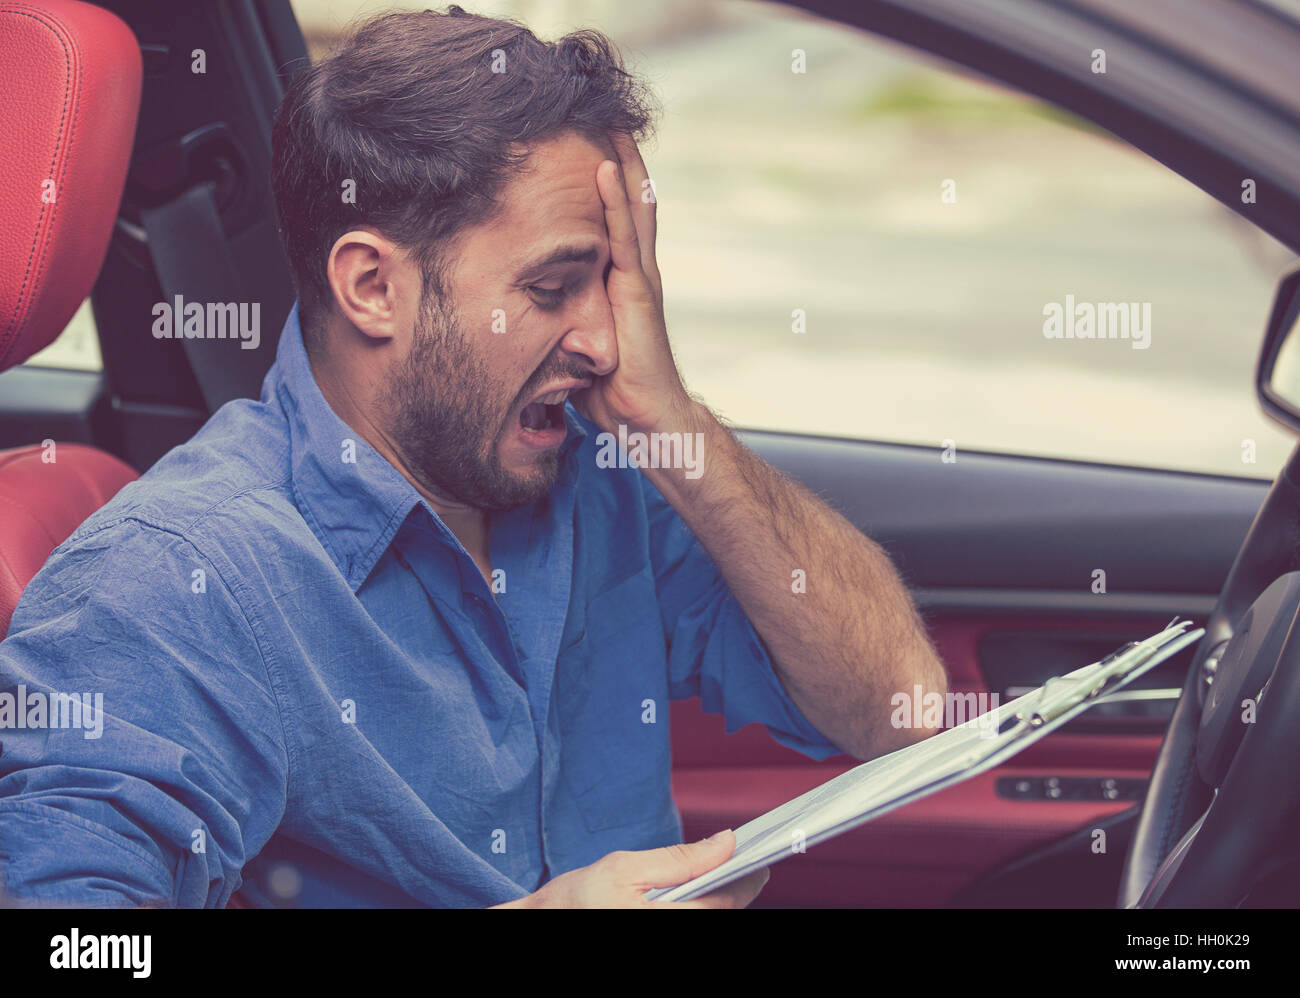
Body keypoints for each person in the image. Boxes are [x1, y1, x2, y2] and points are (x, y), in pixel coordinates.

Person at [0, 5, 946, 908]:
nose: (608, 345)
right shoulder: (177, 580)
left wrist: (675, 423)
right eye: (552, 287)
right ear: (374, 286)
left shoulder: (601, 472)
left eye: (615, 287)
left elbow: (899, 713)